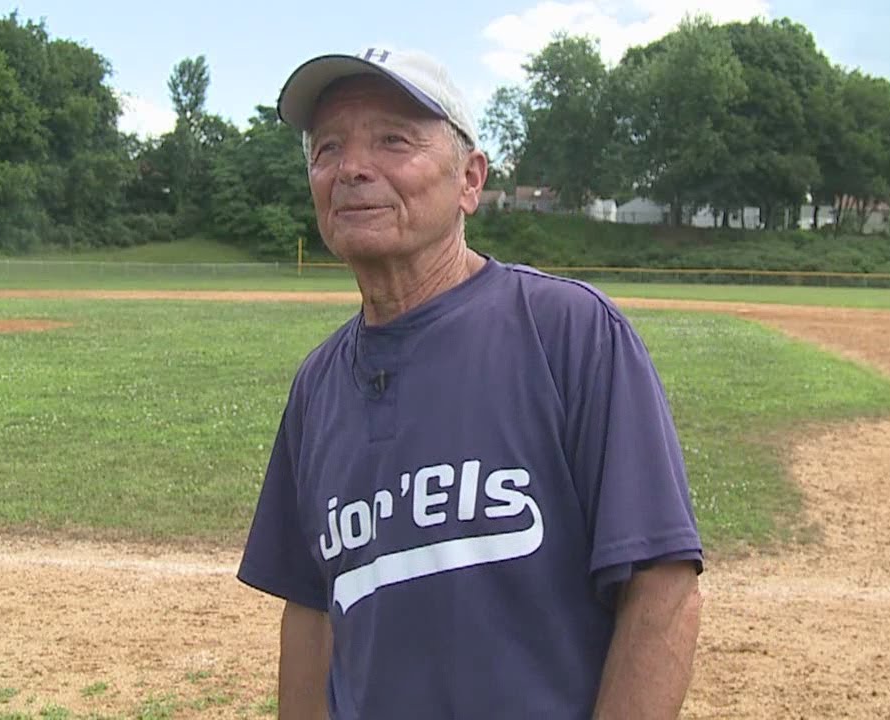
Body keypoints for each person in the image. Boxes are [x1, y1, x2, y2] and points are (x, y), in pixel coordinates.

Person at [237, 45, 704, 720]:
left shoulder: (568, 332)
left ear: (470, 179)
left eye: (393, 140)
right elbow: (311, 612)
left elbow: (662, 587)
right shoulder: (317, 386)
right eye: (327, 148)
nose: (351, 169)